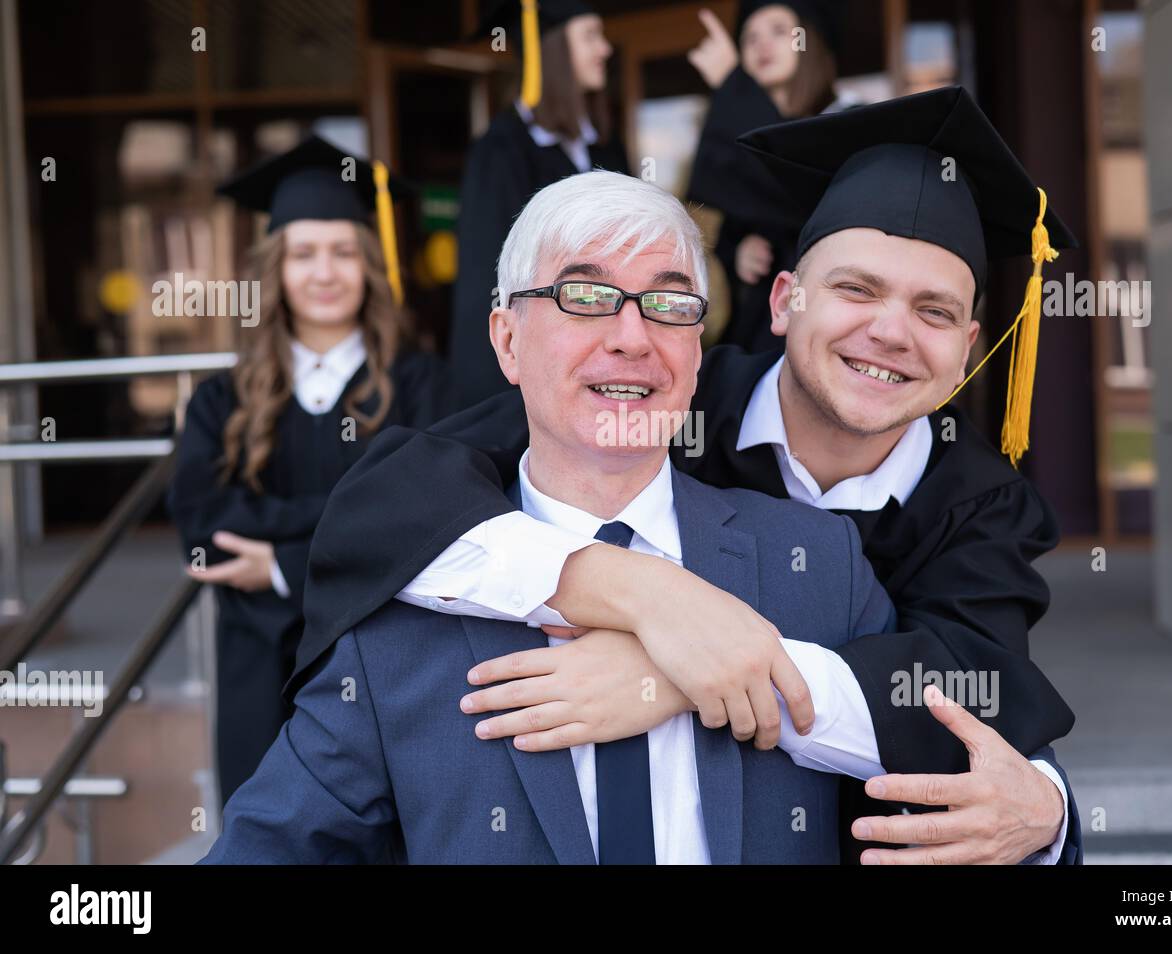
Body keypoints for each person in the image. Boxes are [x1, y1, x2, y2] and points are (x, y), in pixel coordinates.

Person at [291, 87, 1084, 864]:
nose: (889, 332)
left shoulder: (983, 506)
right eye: (855, 288)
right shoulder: (662, 394)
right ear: (783, 300)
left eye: (935, 312)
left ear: (972, 340)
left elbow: (974, 696)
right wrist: (633, 589)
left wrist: (1047, 805)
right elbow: (394, 503)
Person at [202, 171, 901, 864]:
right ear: (507, 342)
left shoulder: (819, 566)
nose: (633, 336)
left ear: (695, 351)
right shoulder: (394, 626)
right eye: (586, 296)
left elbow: (950, 804)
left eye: (667, 300)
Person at [167, 135, 455, 806]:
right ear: (276, 270)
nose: (324, 272)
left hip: (390, 662)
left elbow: (429, 520)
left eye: (343, 252)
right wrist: (347, 527)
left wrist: (282, 561)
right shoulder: (222, 399)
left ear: (370, 265)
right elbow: (204, 526)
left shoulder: (421, 388)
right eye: (303, 254)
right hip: (256, 667)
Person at [450, 0, 628, 409]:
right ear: (551, 49)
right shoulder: (502, 152)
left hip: (612, 349)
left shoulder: (603, 145)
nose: (605, 48)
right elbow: (488, 278)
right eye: (590, 36)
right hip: (542, 374)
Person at [686, 1, 849, 353]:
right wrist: (739, 250)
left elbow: (801, 199)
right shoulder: (735, 126)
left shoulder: (846, 119)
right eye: (749, 38)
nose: (762, 45)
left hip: (824, 325)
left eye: (778, 31)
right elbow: (733, 207)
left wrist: (734, 85)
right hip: (759, 328)